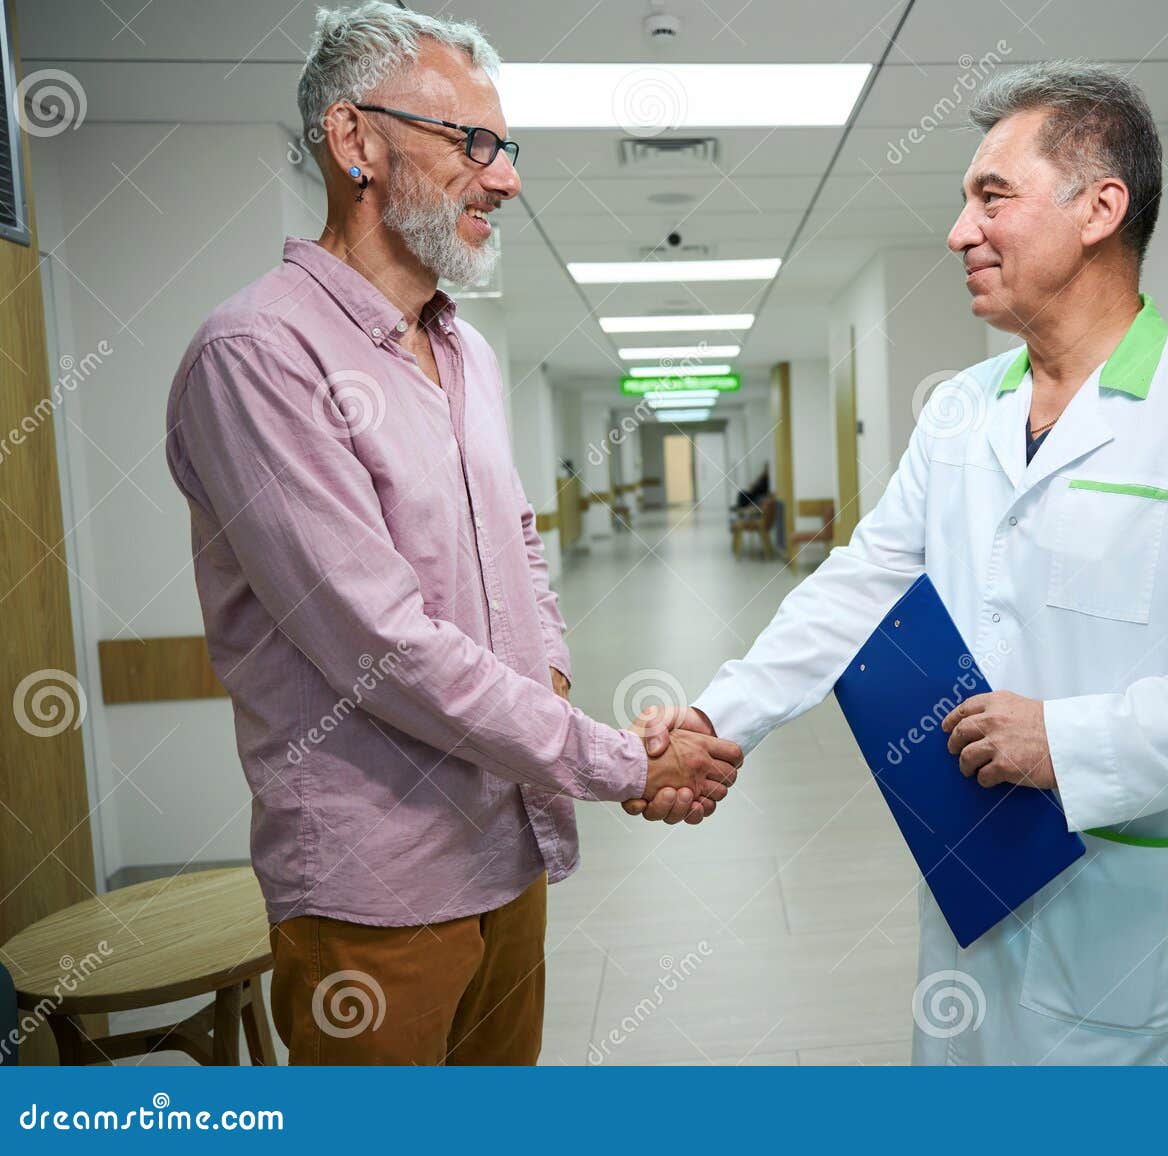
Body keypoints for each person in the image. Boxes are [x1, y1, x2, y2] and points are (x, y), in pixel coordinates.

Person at [629, 61, 1168, 1064]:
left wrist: (1071, 741)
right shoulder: (959, 411)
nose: (957, 230)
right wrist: (719, 720)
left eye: (990, 197)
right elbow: (862, 586)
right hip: (969, 866)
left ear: (1100, 207)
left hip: (1114, 897)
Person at [165, 3, 740, 1065]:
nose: (506, 176)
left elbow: (517, 547)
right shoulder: (259, 357)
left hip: (508, 845)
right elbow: (380, 643)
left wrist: (557, 691)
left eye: (504, 146)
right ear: (355, 144)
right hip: (379, 883)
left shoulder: (462, 350)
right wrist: (619, 758)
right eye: (471, 143)